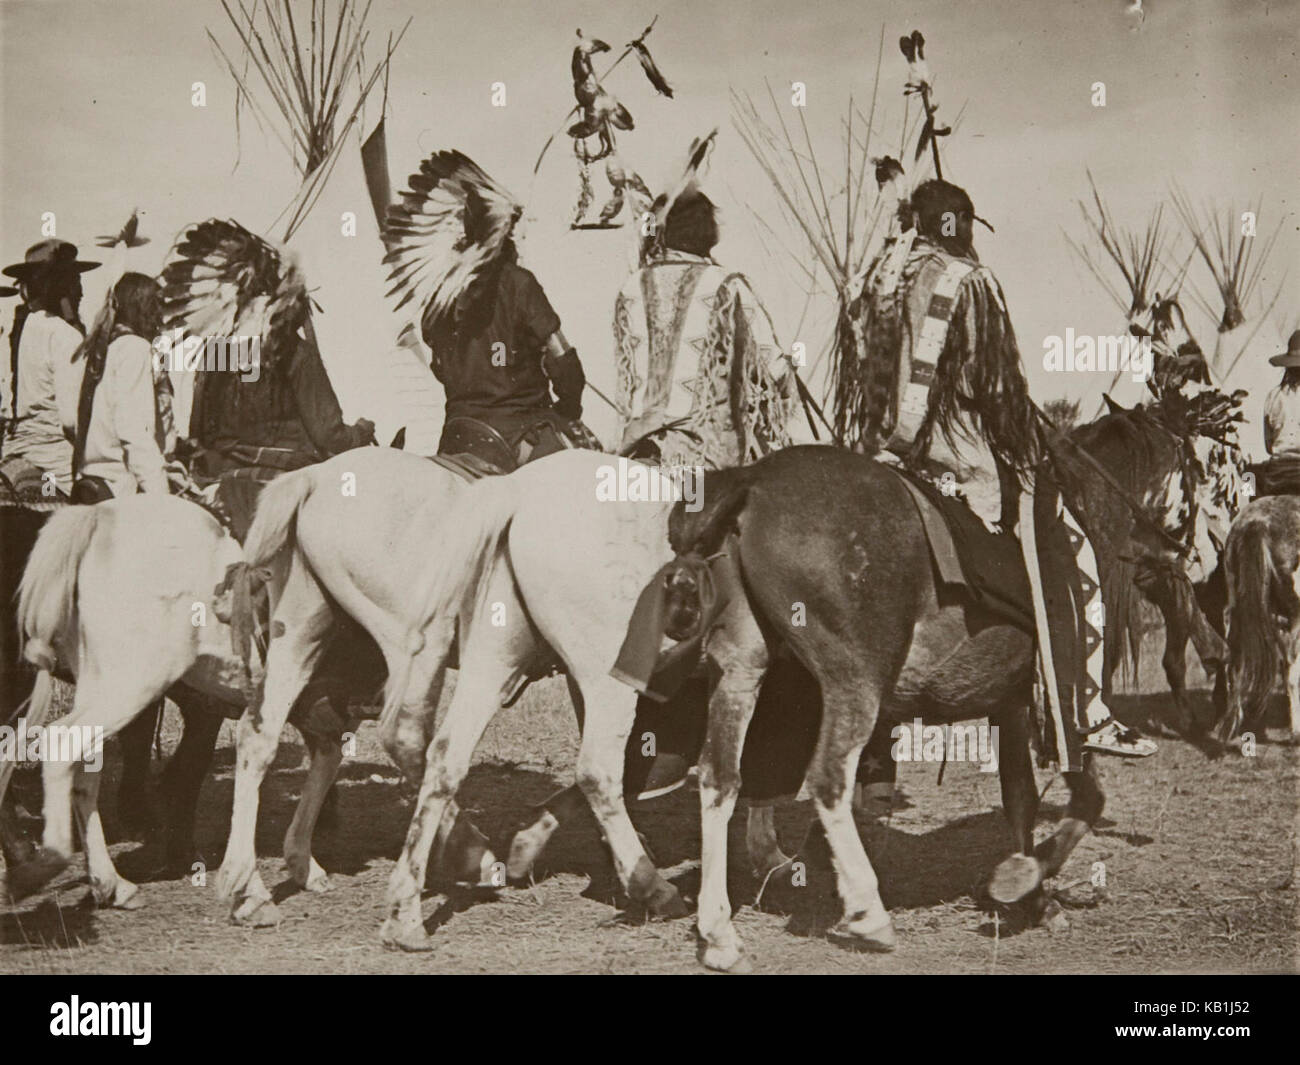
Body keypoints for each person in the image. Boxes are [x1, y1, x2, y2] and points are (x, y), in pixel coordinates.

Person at [841, 178, 1154, 762]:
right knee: (1073, 552)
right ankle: (1084, 711)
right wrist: (1030, 439)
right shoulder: (973, 282)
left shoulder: (878, 285)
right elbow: (998, 389)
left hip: (882, 454)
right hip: (963, 461)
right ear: (958, 224)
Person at [613, 138, 797, 470]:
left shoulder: (632, 285)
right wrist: (790, 374)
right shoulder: (726, 284)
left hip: (637, 445)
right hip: (705, 453)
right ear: (704, 231)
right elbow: (770, 368)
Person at [1, 239, 100, 498]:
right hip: (54, 454)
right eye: (76, 281)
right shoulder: (64, 336)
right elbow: (70, 420)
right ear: (62, 286)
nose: (81, 291)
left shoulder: (25, 327)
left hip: (19, 445)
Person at [71, 272, 180, 501]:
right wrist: (161, 497)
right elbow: (134, 430)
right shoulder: (134, 349)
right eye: (157, 307)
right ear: (144, 309)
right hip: (123, 489)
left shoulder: (102, 350)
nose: (161, 318)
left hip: (92, 481)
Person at [1258, 330, 1300, 497]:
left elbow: (1268, 447)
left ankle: (1242, 511)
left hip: (1277, 473)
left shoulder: (1273, 396)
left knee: (1247, 476)